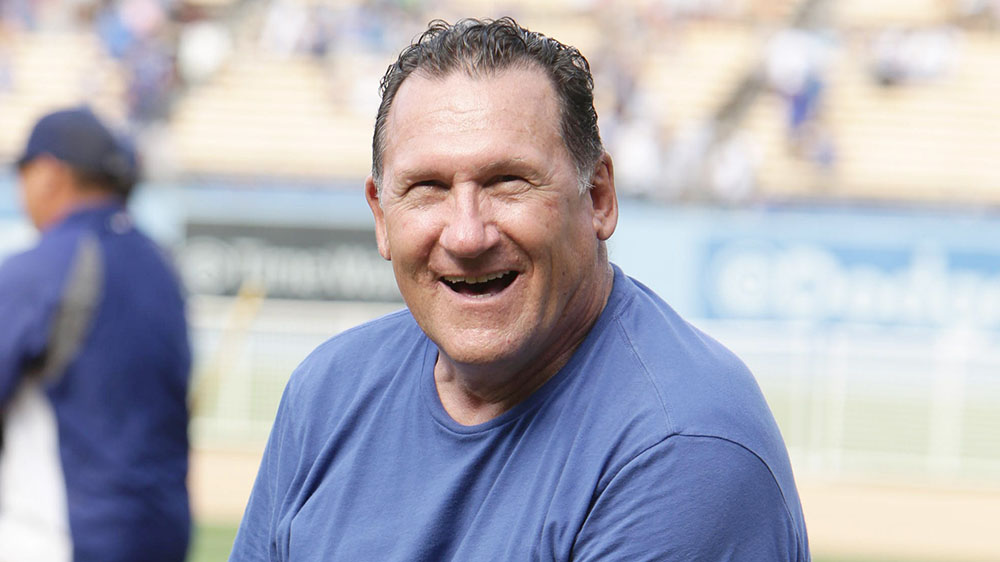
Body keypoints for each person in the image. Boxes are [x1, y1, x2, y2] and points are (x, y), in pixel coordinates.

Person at [231, 17, 810, 561]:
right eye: (427, 187)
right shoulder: (327, 392)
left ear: (599, 198)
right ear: (382, 217)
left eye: (508, 181)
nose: (466, 233)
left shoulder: (684, 451)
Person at [0, 107, 191, 561]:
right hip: (161, 535)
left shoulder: (40, 268)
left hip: (59, 536)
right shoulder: (160, 265)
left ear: (49, 175)